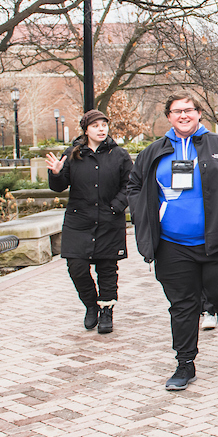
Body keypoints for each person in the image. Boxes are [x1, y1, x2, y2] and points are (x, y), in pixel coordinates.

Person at [128, 91, 218, 391]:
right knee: (183, 305)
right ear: (169, 117)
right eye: (176, 111)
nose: (183, 115)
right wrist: (146, 212)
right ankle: (185, 363)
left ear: (199, 113)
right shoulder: (154, 151)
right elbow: (134, 185)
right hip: (173, 245)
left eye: (189, 110)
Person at [46, 110, 132, 334]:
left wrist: (116, 206)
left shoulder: (119, 155)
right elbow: (59, 186)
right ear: (86, 129)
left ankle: (106, 311)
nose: (102, 129)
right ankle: (91, 305)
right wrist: (56, 173)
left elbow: (130, 185)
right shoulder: (73, 154)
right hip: (79, 220)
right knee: (76, 266)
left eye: (104, 124)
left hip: (108, 220)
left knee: (107, 268)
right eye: (96, 125)